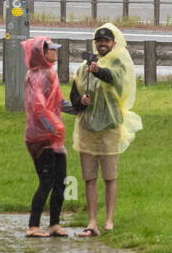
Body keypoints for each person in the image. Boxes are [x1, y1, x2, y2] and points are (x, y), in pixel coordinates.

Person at [68, 22, 142, 237]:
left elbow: (115, 79)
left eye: (106, 41)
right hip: (87, 129)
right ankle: (92, 221)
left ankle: (108, 220)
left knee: (110, 176)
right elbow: (73, 97)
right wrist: (80, 101)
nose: (102, 44)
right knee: (89, 177)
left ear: (113, 43)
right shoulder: (83, 68)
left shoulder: (119, 64)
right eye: (99, 41)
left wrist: (98, 71)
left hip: (110, 127)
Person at [22, 37, 68, 238]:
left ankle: (54, 224)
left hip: (53, 137)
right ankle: (33, 226)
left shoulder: (51, 75)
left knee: (61, 181)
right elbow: (38, 108)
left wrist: (82, 107)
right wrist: (52, 128)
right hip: (40, 139)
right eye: (51, 49)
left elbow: (58, 102)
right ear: (42, 53)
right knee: (46, 181)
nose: (55, 52)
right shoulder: (36, 77)